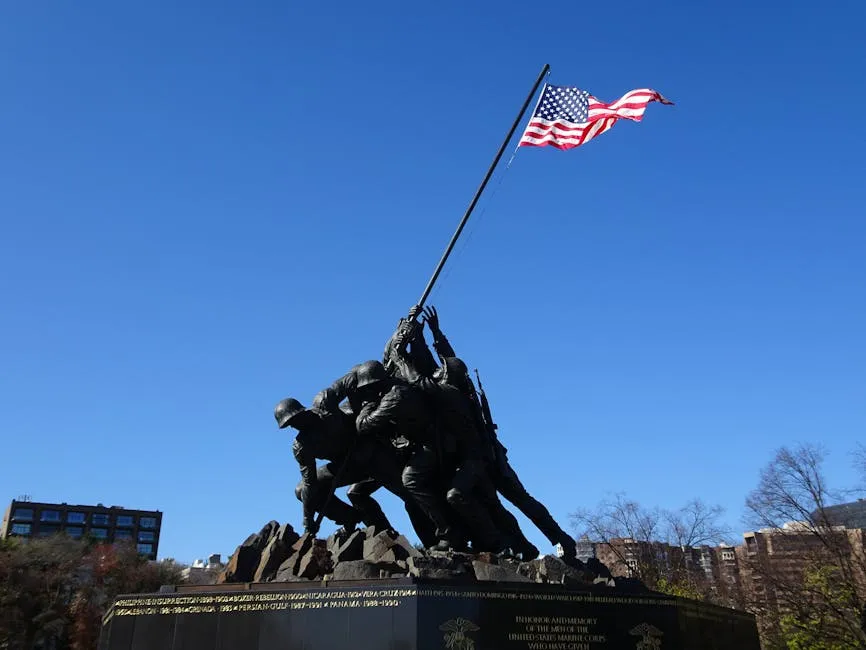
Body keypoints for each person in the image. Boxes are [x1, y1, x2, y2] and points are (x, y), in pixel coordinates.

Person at [421, 305, 578, 560]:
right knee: (497, 507)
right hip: (477, 461)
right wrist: (435, 334)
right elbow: (451, 362)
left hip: (489, 459)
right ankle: (524, 546)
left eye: (443, 373)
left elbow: (440, 370)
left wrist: (412, 344)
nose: (439, 374)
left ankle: (561, 538)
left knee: (521, 500)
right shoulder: (460, 388)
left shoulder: (456, 395)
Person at [275, 392, 433, 543]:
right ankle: (355, 520)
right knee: (302, 490)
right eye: (290, 424)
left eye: (295, 420)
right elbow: (309, 482)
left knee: (409, 496)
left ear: (302, 412)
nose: (294, 426)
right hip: (350, 468)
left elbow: (360, 395)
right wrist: (308, 521)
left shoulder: (328, 410)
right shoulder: (302, 446)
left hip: (375, 457)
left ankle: (433, 541)